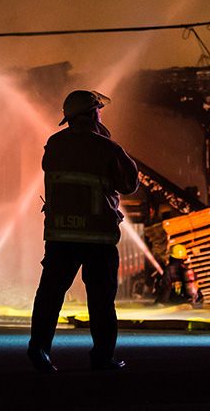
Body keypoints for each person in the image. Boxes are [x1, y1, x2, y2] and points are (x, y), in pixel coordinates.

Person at [27, 89, 139, 373]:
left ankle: (39, 351)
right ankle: (102, 358)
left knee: (49, 295)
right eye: (98, 110)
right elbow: (129, 184)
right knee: (101, 300)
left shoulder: (54, 144)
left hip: (59, 236)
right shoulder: (107, 147)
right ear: (92, 114)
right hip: (97, 238)